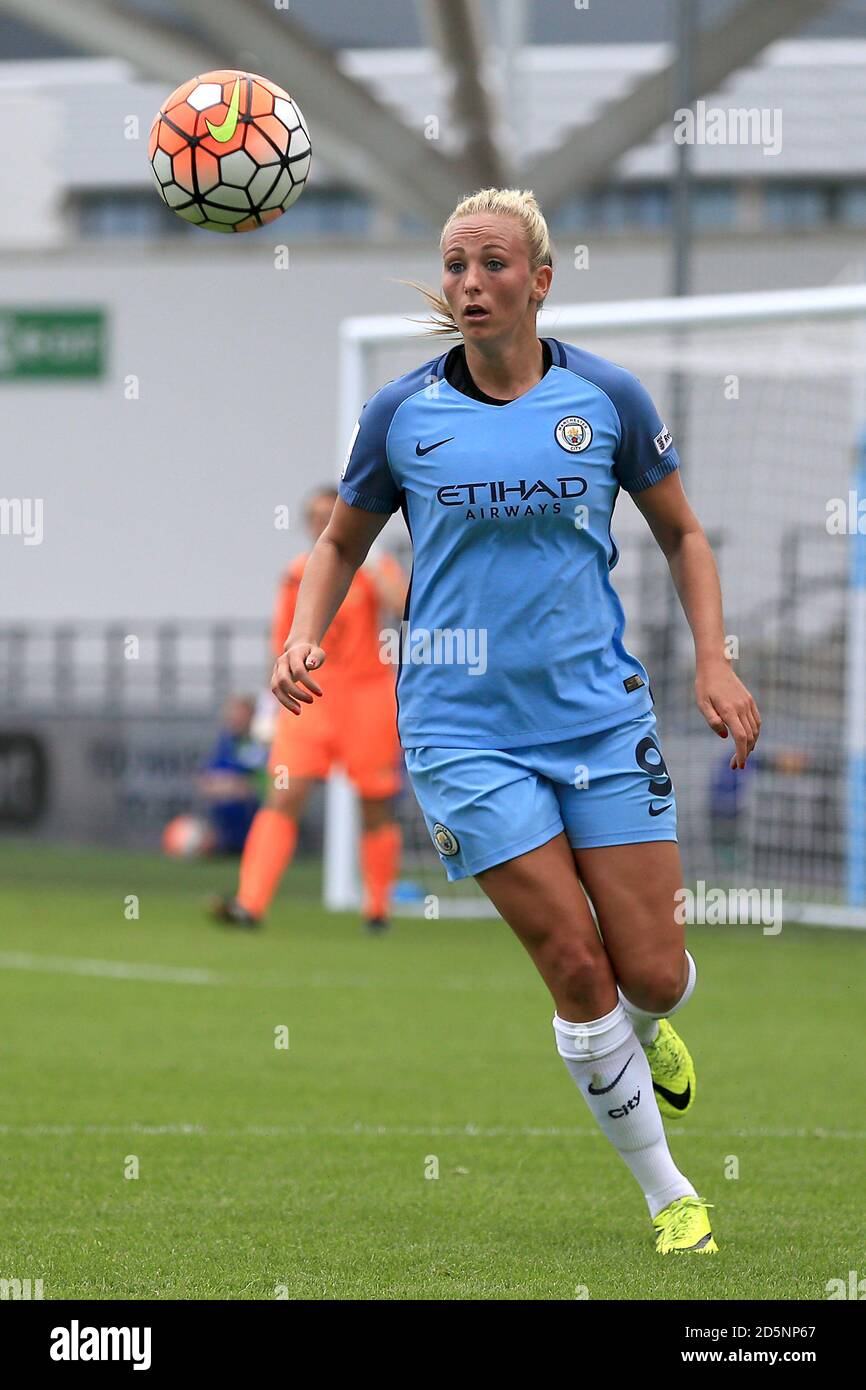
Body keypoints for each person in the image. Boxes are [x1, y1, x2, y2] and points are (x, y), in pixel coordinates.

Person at [270, 188, 761, 1254]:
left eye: (492, 265)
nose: (469, 284)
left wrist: (713, 661)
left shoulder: (606, 397)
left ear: (539, 279)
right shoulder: (402, 415)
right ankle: (670, 1196)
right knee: (574, 967)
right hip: (461, 728)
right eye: (453, 265)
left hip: (596, 713)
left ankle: (642, 1027)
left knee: (650, 971)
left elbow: (681, 535)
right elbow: (339, 542)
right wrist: (305, 633)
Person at [212, 484, 408, 931]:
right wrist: (268, 705)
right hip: (310, 695)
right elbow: (282, 639)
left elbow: (403, 605)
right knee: (284, 794)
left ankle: (378, 908)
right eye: (316, 515)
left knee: (375, 802)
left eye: (330, 514)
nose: (323, 521)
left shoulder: (375, 569)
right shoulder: (297, 573)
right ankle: (250, 903)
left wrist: (377, 566)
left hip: (367, 697)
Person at [198, 694, 268, 853]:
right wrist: (226, 786)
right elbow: (207, 780)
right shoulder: (225, 743)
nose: (235, 719)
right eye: (232, 714)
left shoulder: (263, 743)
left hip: (256, 813)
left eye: (240, 714)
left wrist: (250, 787)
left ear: (252, 716)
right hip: (225, 824)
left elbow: (279, 781)